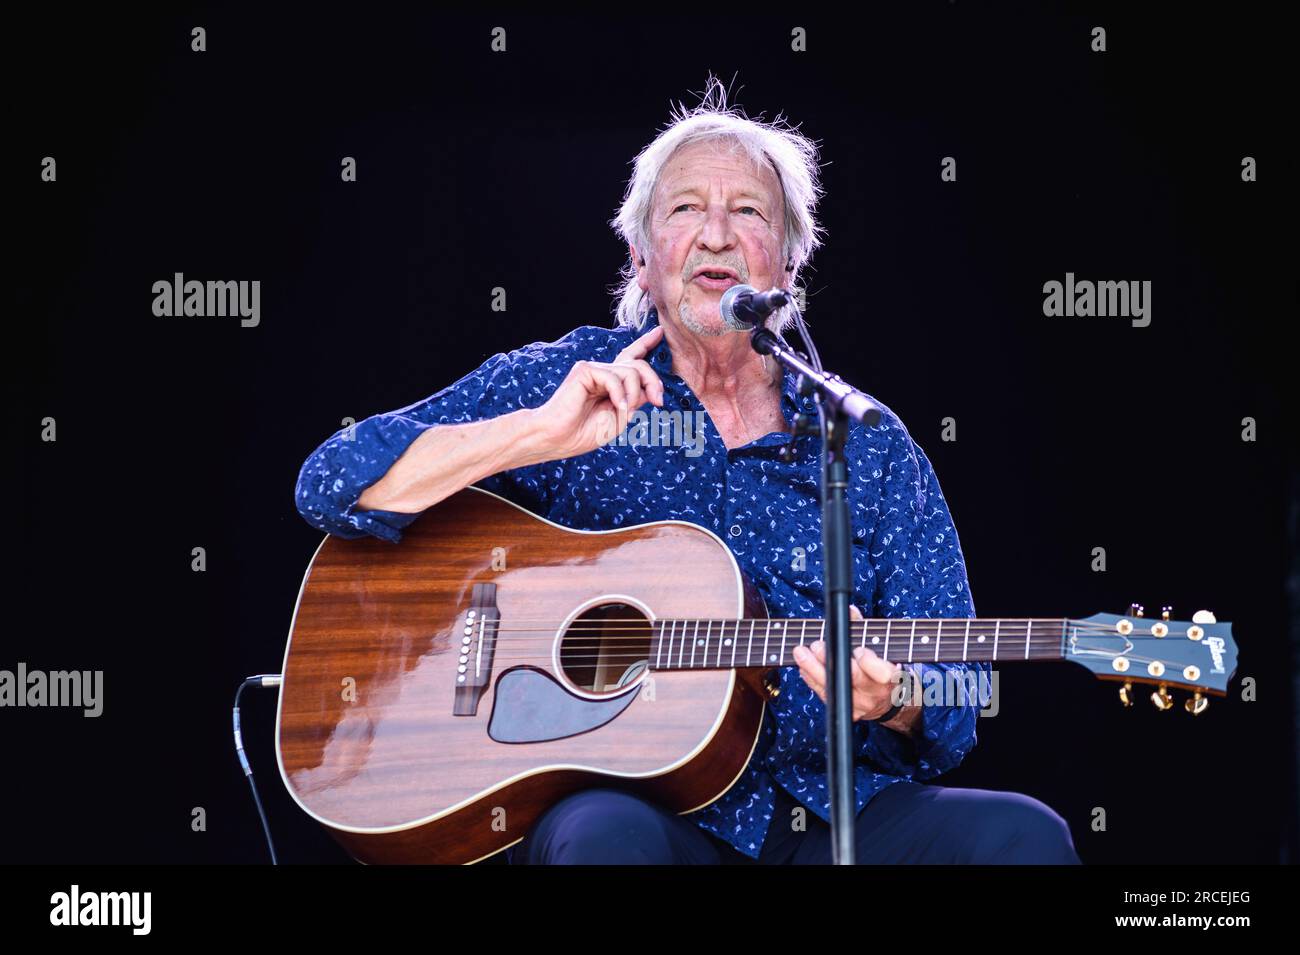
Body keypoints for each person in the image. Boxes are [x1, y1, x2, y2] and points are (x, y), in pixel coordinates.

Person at [295, 79, 1080, 865]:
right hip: (637, 814)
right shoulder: (566, 378)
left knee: (1025, 836)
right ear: (640, 257)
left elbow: (962, 694)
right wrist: (533, 435)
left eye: (748, 212)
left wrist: (897, 698)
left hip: (828, 813)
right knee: (604, 835)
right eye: (684, 210)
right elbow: (332, 483)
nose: (716, 235)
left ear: (789, 259)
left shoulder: (867, 442)